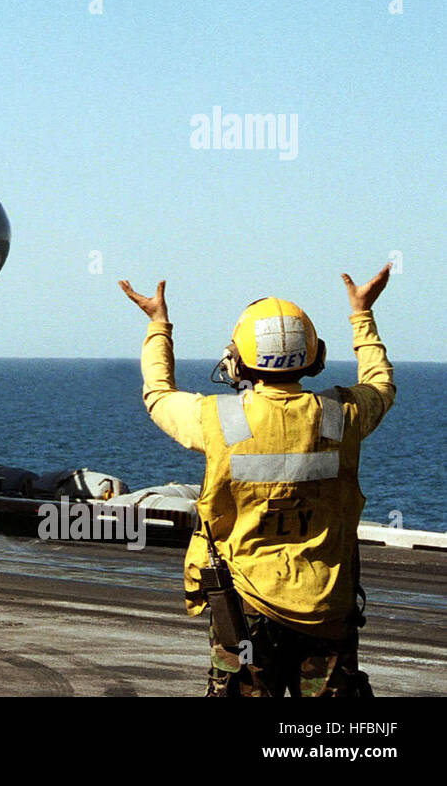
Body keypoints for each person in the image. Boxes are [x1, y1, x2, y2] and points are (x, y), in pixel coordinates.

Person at [118, 265, 395, 696]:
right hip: (327, 610)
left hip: (245, 610)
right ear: (316, 356)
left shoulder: (217, 418)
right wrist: (362, 315)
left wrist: (158, 326)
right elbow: (380, 384)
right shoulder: (342, 414)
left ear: (237, 362)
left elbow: (158, 395)